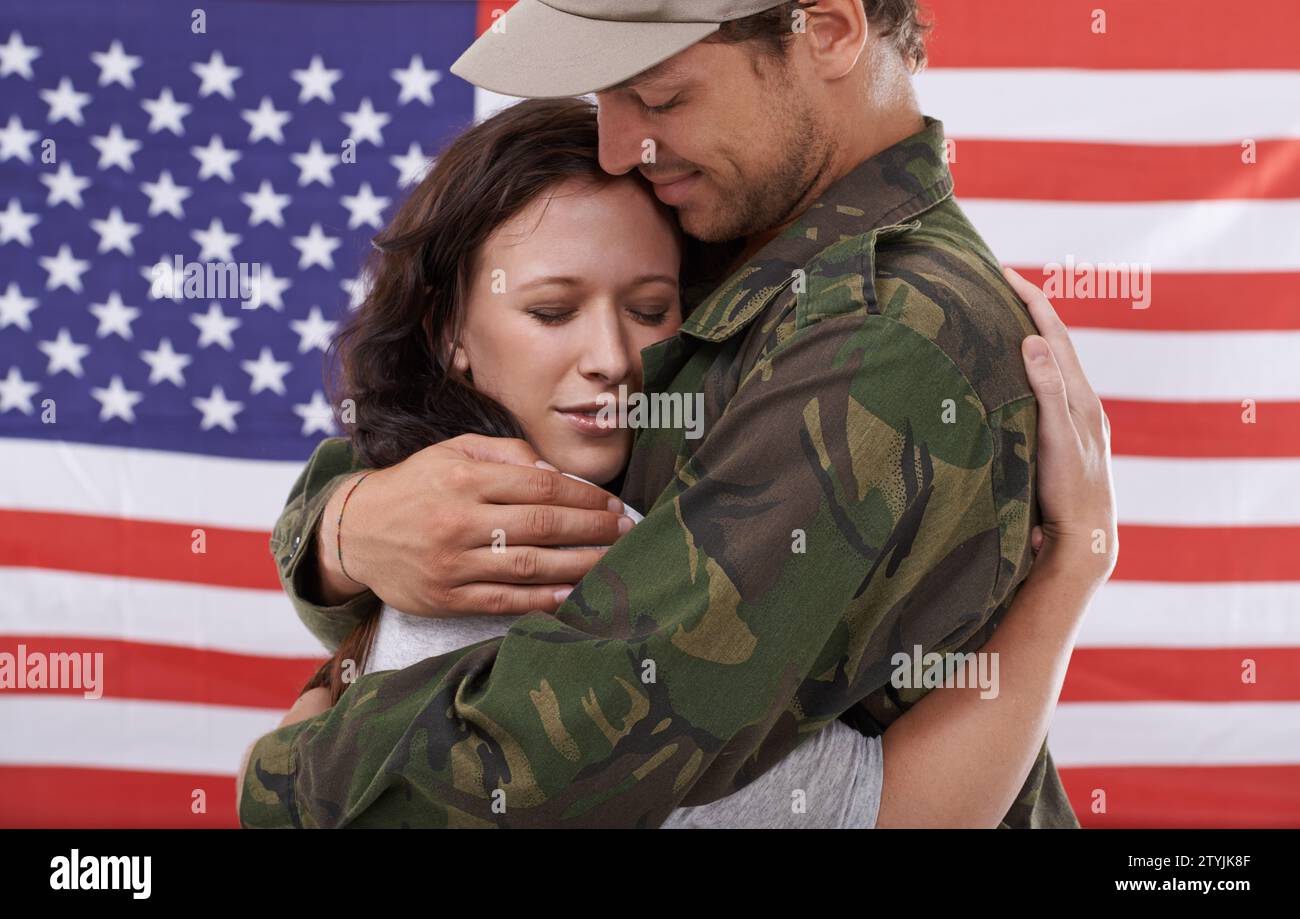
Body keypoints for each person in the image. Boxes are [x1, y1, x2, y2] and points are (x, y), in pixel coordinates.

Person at [239, 0, 1119, 828]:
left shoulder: (877, 336)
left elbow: (562, 748)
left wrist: (290, 779)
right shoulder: (732, 231)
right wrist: (342, 533)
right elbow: (466, 497)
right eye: (606, 98)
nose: (620, 148)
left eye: (660, 95)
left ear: (832, 29)